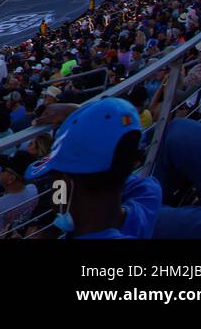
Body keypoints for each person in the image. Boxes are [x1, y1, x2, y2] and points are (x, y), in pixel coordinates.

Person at [26, 97, 160, 239]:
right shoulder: (148, 195)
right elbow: (118, 164)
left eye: (54, 181)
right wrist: (82, 118)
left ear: (63, 187)